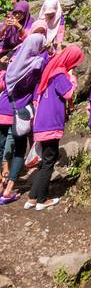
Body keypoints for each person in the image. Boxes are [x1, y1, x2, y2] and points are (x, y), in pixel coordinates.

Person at [28, 44, 84, 209]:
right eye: (75, 61)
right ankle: (42, 200)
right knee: (49, 162)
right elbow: (68, 93)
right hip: (51, 124)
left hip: (41, 123)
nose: (75, 65)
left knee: (44, 161)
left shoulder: (49, 71)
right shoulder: (59, 73)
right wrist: (72, 79)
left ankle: (32, 197)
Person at [0, 32, 48, 205]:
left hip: (6, 109)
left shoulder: (13, 65)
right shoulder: (35, 65)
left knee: (6, 147)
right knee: (20, 150)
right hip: (21, 114)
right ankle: (9, 189)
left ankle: (2, 185)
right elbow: (40, 79)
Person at [0, 0, 31, 67]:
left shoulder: (30, 23)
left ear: (25, 12)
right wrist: (5, 27)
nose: (17, 15)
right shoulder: (9, 19)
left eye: (20, 13)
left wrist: (19, 27)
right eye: (15, 12)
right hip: (5, 49)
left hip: (18, 52)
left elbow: (29, 40)